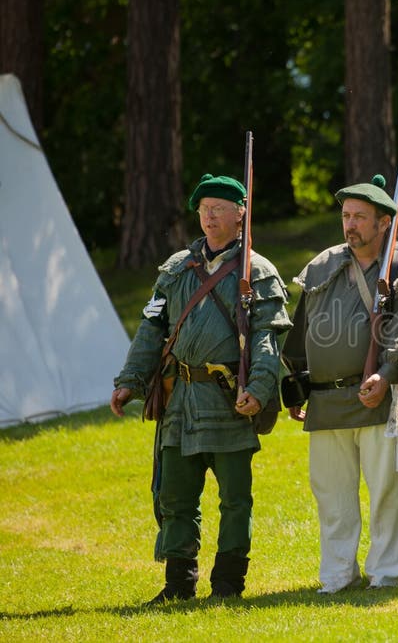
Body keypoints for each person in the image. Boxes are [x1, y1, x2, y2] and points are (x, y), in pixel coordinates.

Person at [110, 173, 290, 603]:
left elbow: (268, 338)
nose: (209, 217)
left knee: (235, 502)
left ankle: (228, 584)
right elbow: (152, 329)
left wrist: (260, 389)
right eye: (204, 209)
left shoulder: (258, 272)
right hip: (181, 402)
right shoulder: (174, 270)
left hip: (230, 400)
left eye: (219, 209)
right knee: (176, 498)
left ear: (240, 214)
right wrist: (130, 382)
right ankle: (178, 585)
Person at [282, 175, 398, 594]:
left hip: (378, 396)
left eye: (360, 217)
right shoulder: (323, 264)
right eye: (346, 216)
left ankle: (388, 572)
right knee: (332, 496)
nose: (351, 224)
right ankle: (338, 575)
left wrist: (388, 374)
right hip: (326, 401)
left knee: (385, 493)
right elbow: (299, 331)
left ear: (383, 223)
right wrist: (296, 383)